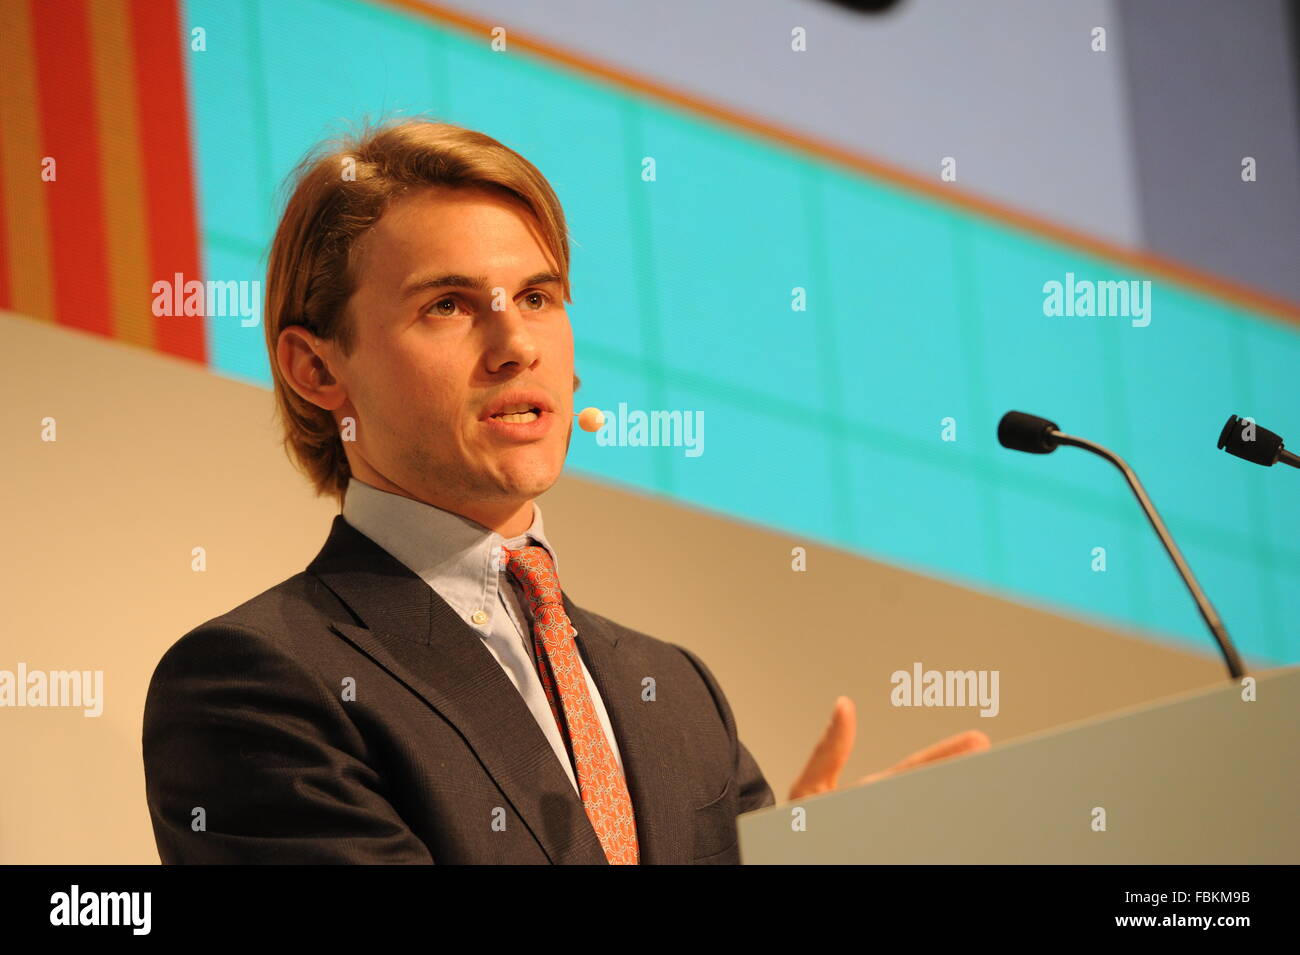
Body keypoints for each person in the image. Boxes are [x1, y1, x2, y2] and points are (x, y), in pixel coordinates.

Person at [142, 118, 989, 865]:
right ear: (317, 367)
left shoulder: (677, 692)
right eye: (448, 304)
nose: (516, 343)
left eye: (539, 296)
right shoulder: (257, 682)